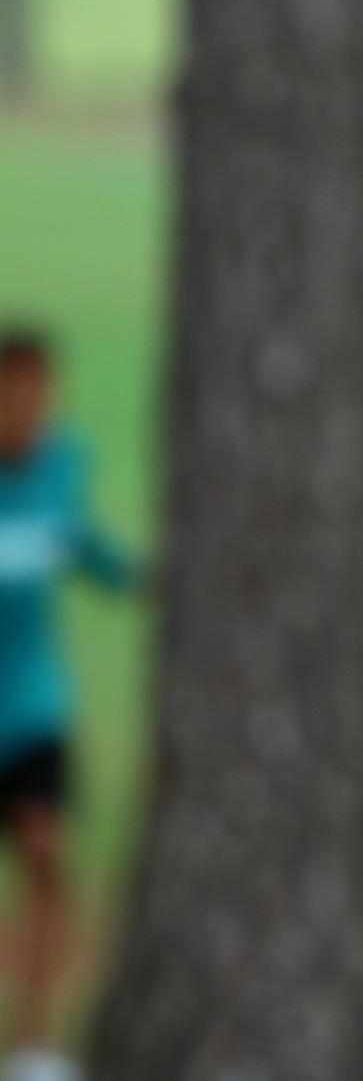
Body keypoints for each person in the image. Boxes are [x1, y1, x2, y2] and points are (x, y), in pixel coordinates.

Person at [0, 324, 136, 1081]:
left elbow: (89, 547)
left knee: (48, 858)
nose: (27, 408)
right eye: (14, 391)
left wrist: (142, 575)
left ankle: (31, 1044)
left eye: (40, 393)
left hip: (31, 707)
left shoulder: (59, 469)